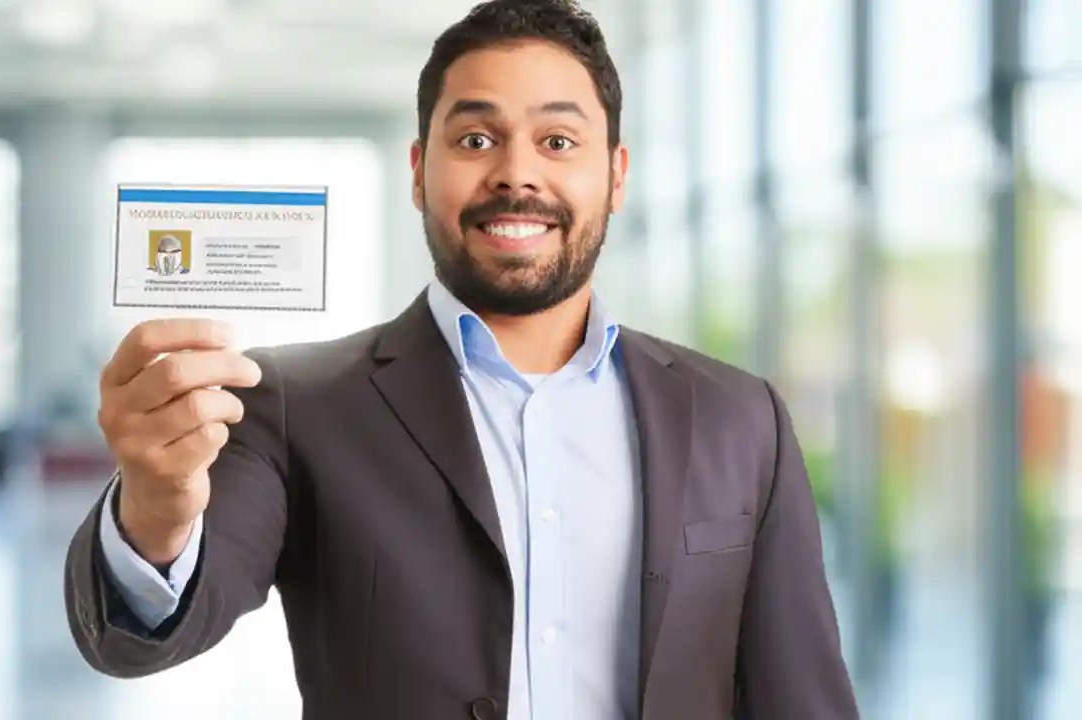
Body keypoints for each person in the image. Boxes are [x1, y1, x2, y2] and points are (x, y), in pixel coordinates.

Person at [65, 1, 860, 718]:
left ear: (615, 176)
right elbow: (144, 636)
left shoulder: (738, 418)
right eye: (476, 139)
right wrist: (159, 505)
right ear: (419, 172)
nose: (516, 174)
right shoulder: (287, 404)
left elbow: (802, 698)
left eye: (558, 140)